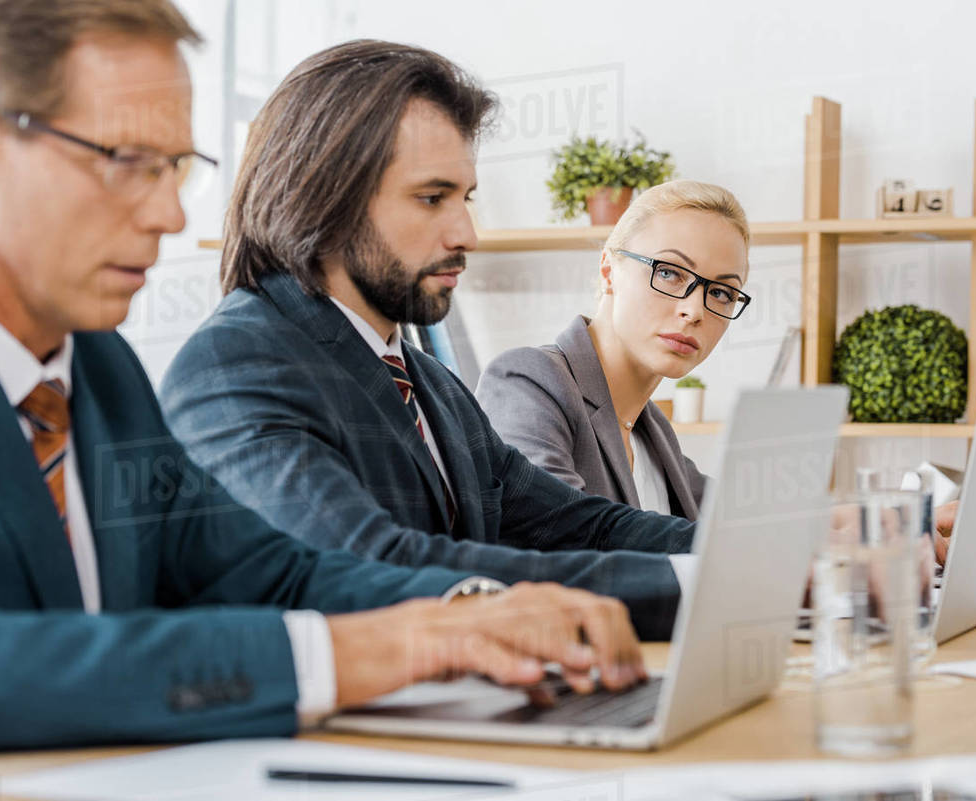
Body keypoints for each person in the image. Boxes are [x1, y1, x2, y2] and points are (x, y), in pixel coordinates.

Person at [0, 0, 645, 757]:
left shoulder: (100, 366)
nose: (166, 212)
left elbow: (274, 574)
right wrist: (374, 650)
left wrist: (475, 610)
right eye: (126, 161)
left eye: (177, 168)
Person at [160, 40, 696, 642]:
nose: (467, 232)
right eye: (431, 198)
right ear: (326, 199)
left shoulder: (430, 383)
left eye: (464, 198)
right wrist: (696, 586)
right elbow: (378, 567)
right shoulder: (236, 364)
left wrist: (750, 552)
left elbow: (580, 526)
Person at [478, 181, 751, 520]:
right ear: (608, 270)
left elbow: (739, 515)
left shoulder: (651, 430)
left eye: (722, 293)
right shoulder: (529, 381)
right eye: (669, 273)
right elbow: (561, 533)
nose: (694, 311)